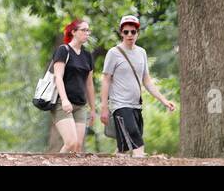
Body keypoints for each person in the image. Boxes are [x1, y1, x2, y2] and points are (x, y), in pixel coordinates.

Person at [99, 14, 176, 157]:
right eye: (126, 32)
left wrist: (164, 101)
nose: (129, 35)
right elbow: (105, 80)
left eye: (133, 32)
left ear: (137, 33)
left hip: (136, 106)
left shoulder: (142, 53)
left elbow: (147, 81)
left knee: (123, 150)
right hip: (120, 106)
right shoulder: (113, 53)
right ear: (121, 33)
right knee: (137, 144)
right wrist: (104, 107)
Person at [51, 18, 96, 154]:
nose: (87, 33)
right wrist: (64, 100)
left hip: (80, 105)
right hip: (62, 103)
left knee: (77, 147)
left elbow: (89, 84)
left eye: (88, 30)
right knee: (71, 143)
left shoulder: (87, 55)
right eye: (84, 30)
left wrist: (93, 109)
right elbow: (57, 76)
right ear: (74, 32)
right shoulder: (63, 50)